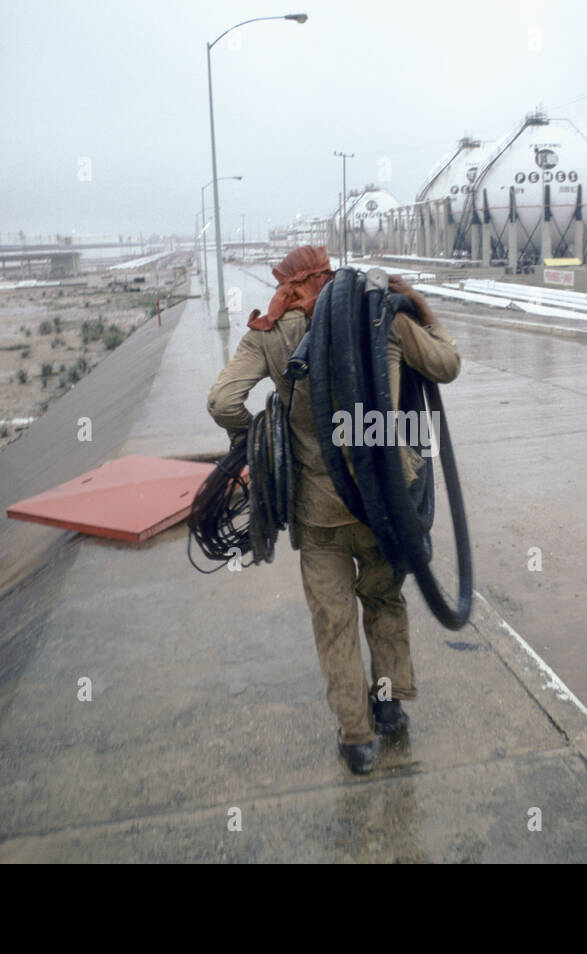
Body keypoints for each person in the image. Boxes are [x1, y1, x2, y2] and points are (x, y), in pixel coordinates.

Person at [206, 246, 461, 775]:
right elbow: (447, 365)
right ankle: (388, 708)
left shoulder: (271, 332)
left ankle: (357, 739)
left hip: (318, 512)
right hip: (384, 504)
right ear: (328, 273)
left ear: (287, 283)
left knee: (334, 621)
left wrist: (256, 438)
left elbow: (223, 400)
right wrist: (418, 305)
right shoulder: (379, 314)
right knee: (385, 602)